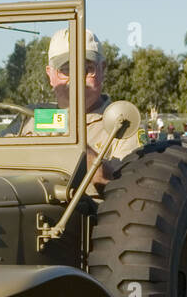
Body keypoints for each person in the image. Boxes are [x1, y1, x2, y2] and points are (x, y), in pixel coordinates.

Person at [21, 27, 141, 184]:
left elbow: (130, 184)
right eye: (66, 70)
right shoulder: (36, 116)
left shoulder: (124, 122)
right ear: (50, 75)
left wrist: (79, 151)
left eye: (87, 69)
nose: (77, 80)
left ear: (102, 69)